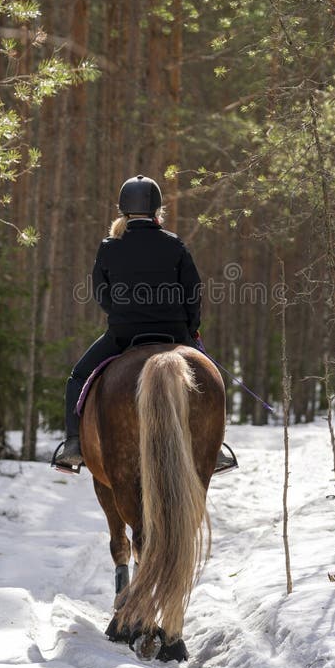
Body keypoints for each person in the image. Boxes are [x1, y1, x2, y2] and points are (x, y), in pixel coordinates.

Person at [53, 174, 236, 474]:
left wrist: (120, 316)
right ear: (157, 211)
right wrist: (190, 329)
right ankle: (214, 450)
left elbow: (102, 292)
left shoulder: (109, 246)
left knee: (78, 376)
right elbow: (193, 292)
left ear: (123, 210)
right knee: (210, 378)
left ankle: (73, 444)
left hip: (124, 334)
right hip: (174, 332)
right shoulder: (175, 244)